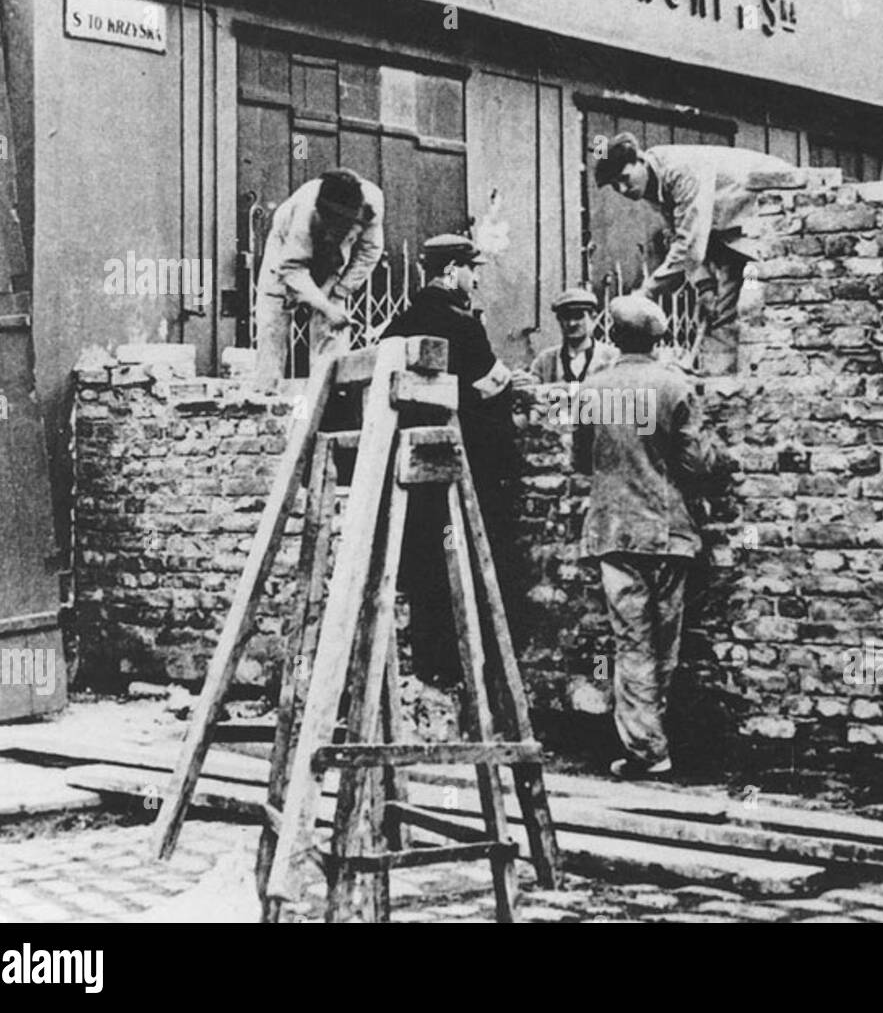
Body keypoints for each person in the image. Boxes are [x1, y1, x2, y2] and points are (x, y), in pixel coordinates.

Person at [573, 294, 716, 779]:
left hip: (614, 530)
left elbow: (580, 459)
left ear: (612, 337)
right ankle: (654, 745)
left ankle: (646, 748)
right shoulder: (674, 386)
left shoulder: (591, 389)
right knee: (665, 644)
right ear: (659, 340)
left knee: (630, 643)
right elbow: (696, 465)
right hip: (668, 532)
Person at [379, 234, 520, 685]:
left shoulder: (399, 323)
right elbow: (491, 384)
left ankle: (429, 666)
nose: (475, 278)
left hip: (414, 463)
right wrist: (509, 380)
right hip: (465, 464)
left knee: (424, 561)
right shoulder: (462, 322)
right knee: (469, 559)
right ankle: (470, 667)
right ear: (451, 270)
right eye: (470, 268)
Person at [593, 135, 798, 376]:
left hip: (777, 219)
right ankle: (720, 383)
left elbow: (691, 246)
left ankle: (772, 376)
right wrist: (705, 286)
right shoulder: (652, 184)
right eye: (615, 186)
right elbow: (685, 233)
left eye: (624, 179)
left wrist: (647, 291)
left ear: (640, 160)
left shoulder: (681, 170)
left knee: (753, 303)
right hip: (734, 237)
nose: (623, 189)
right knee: (720, 314)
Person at [253, 168, 384, 386]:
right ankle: (267, 392)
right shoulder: (303, 212)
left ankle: (331, 396)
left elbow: (370, 251)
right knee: (272, 325)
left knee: (331, 329)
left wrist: (340, 291)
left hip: (334, 264)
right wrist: (325, 306)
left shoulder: (373, 203)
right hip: (287, 255)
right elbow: (292, 266)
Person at [529, 287, 620, 384]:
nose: (572, 323)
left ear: (592, 318)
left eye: (578, 316)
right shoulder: (545, 361)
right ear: (559, 320)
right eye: (566, 317)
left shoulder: (611, 357)